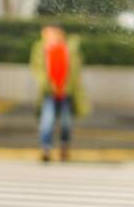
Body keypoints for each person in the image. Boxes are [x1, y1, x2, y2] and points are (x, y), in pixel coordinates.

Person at [29, 24, 90, 162]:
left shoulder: (70, 49)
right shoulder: (41, 49)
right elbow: (37, 68)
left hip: (66, 92)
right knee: (47, 121)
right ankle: (46, 149)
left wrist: (72, 87)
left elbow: (76, 69)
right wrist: (47, 84)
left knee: (66, 123)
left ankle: (64, 147)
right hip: (49, 93)